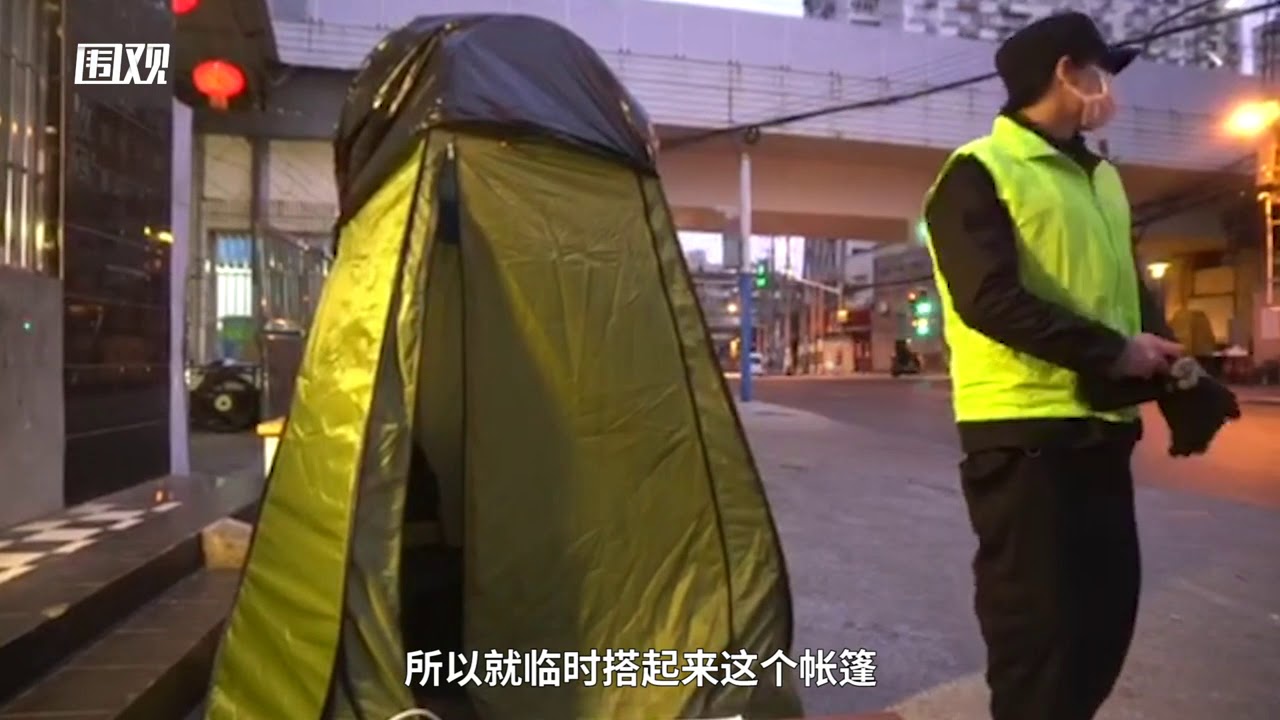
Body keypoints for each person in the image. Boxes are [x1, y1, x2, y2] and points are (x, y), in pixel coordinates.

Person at [921, 12, 1185, 720]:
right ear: (1067, 72)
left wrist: (1166, 359)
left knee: (1102, 628)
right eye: (1102, 71)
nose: (1110, 90)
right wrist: (1113, 352)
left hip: (1101, 430)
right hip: (1023, 436)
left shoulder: (1101, 179)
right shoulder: (977, 172)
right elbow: (989, 300)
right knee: (1039, 642)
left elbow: (1124, 290)